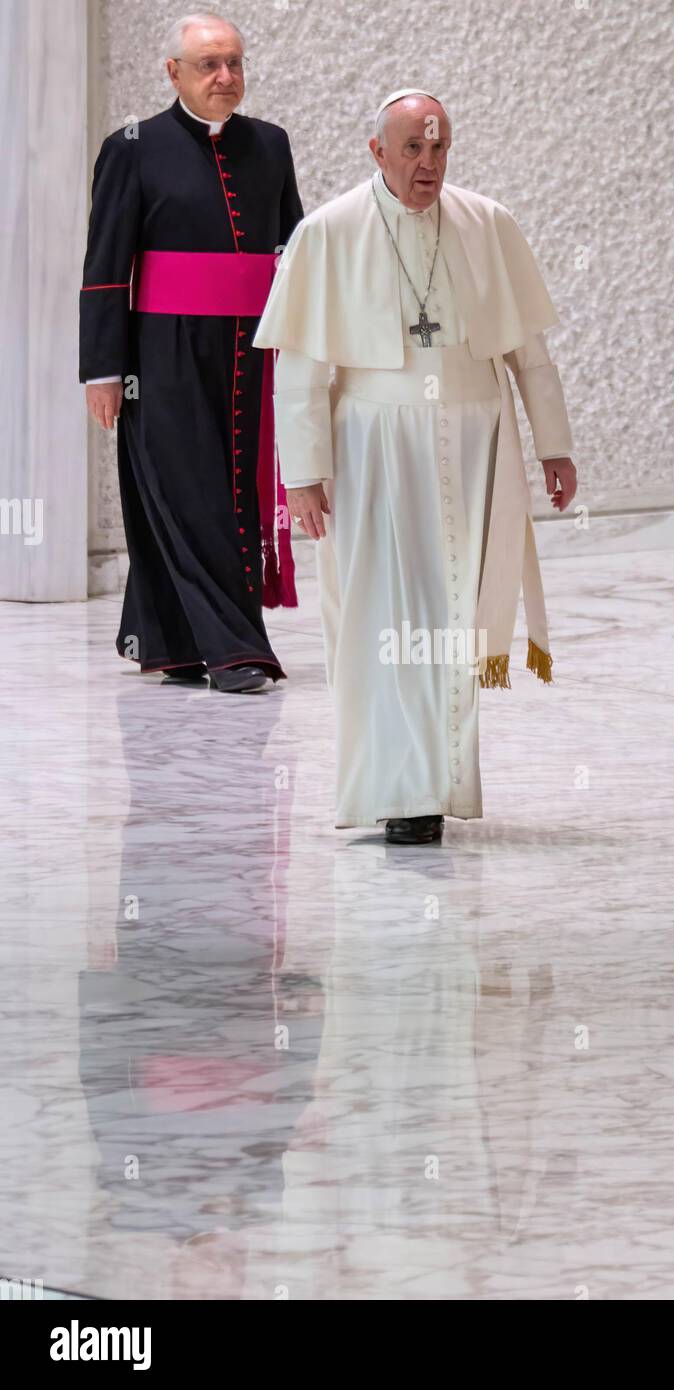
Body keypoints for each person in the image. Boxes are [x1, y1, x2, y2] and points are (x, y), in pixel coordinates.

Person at [254, 89, 575, 836]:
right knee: (379, 613)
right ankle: (396, 789)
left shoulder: (487, 223)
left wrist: (554, 445)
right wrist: (301, 473)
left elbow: (530, 353)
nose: (429, 164)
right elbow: (299, 367)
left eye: (439, 148)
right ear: (377, 151)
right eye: (412, 149)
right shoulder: (327, 232)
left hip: (476, 442)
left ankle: (440, 786)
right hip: (373, 446)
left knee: (457, 613)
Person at [80, 12, 303, 693]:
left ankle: (174, 639)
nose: (225, 77)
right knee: (189, 493)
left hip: (250, 350)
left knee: (233, 492)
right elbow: (106, 266)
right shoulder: (132, 147)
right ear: (172, 71)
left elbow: (294, 247)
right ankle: (237, 649)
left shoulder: (270, 144)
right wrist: (102, 369)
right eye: (208, 64)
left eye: (234, 62)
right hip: (161, 352)